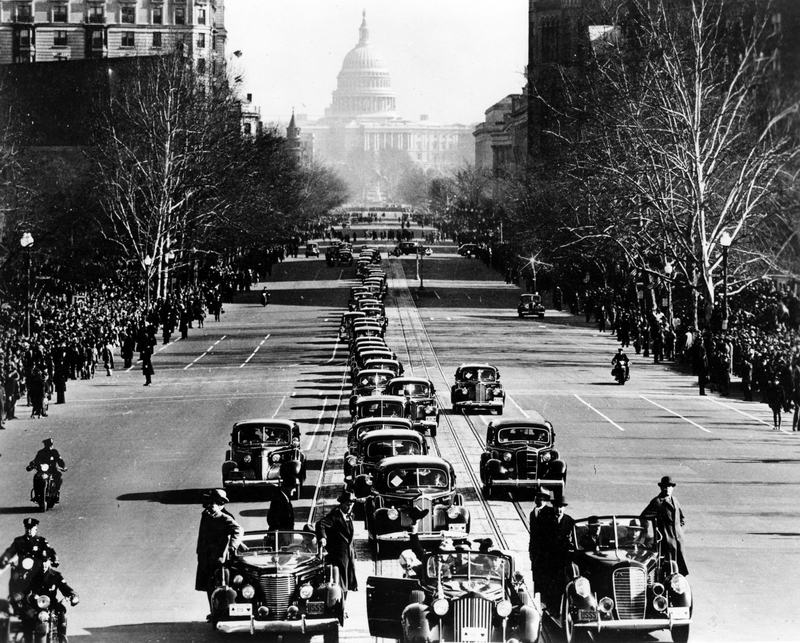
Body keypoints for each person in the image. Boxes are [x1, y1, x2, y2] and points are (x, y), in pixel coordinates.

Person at [195, 489, 246, 614]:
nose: (209, 507)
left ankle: (220, 611)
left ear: (220, 504)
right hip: (205, 556)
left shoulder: (225, 517)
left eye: (212, 504)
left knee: (220, 585)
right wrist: (200, 552)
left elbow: (237, 531)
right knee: (208, 586)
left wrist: (233, 546)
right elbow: (202, 535)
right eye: (208, 503)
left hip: (218, 558)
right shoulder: (206, 515)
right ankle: (213, 611)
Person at [0, 518, 58, 615]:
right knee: (14, 577)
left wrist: (55, 558)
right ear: (25, 529)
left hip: (37, 569)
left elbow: (50, 551)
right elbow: (10, 551)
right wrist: (5, 559)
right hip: (22, 569)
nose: (29, 531)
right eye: (27, 528)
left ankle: (45, 601)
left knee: (45, 580)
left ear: (36, 529)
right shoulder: (18, 541)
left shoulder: (41, 541)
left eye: (32, 528)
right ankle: (13, 601)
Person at [19, 549, 79, 643]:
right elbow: (25, 591)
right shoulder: (32, 576)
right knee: (27, 617)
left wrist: (72, 595)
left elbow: (65, 588)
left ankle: (61, 639)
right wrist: (30, 596)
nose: (43, 564)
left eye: (46, 561)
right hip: (36, 606)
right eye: (41, 561)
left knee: (61, 613)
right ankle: (28, 640)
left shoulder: (56, 576)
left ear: (50, 561)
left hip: (52, 605)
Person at [640, 476, 688, 576]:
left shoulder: (675, 500)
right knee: (668, 570)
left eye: (669, 487)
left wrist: (678, 531)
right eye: (664, 487)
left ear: (672, 488)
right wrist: (646, 536)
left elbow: (682, 518)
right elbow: (643, 518)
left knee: (680, 570)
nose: (667, 489)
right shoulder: (657, 502)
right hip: (666, 543)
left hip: (678, 541)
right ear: (661, 488)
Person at [316, 490, 358, 595]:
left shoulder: (349, 515)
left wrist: (354, 553)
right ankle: (340, 605)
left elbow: (350, 537)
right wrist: (323, 538)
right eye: (347, 505)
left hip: (348, 554)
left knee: (348, 581)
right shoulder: (335, 515)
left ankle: (344, 602)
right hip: (338, 554)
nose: (349, 508)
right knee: (341, 581)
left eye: (351, 505)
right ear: (341, 504)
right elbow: (321, 524)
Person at [541, 495, 574, 610]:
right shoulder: (546, 520)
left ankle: (560, 609)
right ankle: (550, 608)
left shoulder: (570, 521)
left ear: (564, 508)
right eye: (557, 507)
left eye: (561, 507)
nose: (559, 510)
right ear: (553, 507)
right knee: (550, 585)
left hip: (563, 560)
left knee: (562, 585)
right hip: (550, 560)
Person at [528, 487, 555, 589]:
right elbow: (532, 534)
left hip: (546, 551)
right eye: (537, 496)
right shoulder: (532, 513)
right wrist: (531, 550)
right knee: (536, 576)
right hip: (536, 551)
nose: (538, 499)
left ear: (545, 499)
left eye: (541, 497)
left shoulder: (550, 512)